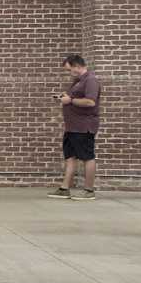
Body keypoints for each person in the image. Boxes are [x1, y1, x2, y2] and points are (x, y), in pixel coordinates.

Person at [48, 54, 100, 200]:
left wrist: (70, 100)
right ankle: (64, 189)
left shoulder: (91, 80)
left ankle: (89, 190)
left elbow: (90, 102)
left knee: (87, 157)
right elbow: (72, 99)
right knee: (70, 157)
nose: (69, 72)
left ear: (77, 66)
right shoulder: (78, 81)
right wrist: (64, 97)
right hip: (72, 126)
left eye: (70, 69)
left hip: (83, 126)